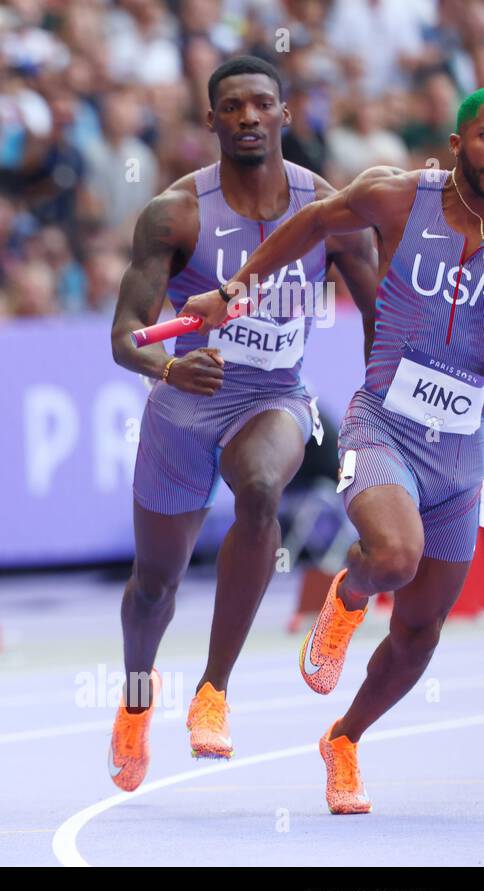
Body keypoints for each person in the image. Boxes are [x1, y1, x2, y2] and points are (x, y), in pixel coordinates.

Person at [180, 89, 484, 815]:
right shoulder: (398, 197)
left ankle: (344, 741)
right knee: (394, 555)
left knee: (419, 633)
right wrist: (236, 286)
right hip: (385, 428)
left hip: (463, 459)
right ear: (456, 141)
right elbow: (315, 219)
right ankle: (348, 595)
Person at [108, 56, 378, 792]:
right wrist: (168, 368)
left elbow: (381, 323)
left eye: (263, 104)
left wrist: (385, 414)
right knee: (153, 588)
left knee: (259, 486)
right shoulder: (175, 213)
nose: (249, 117)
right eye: (233, 107)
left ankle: (213, 689)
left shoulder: (329, 212)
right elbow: (125, 334)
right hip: (184, 403)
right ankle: (136, 700)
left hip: (276, 397)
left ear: (285, 115)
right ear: (212, 121)